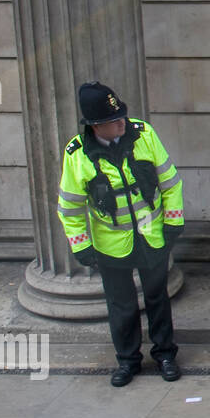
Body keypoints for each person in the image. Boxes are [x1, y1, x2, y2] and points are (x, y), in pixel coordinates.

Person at [56, 82, 184, 387]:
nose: (122, 123)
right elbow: (69, 206)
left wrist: (173, 220)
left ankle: (165, 354)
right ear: (96, 126)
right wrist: (80, 245)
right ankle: (128, 361)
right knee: (121, 305)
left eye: (122, 116)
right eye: (115, 120)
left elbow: (170, 180)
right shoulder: (77, 154)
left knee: (157, 298)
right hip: (111, 244)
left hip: (151, 236)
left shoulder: (144, 134)